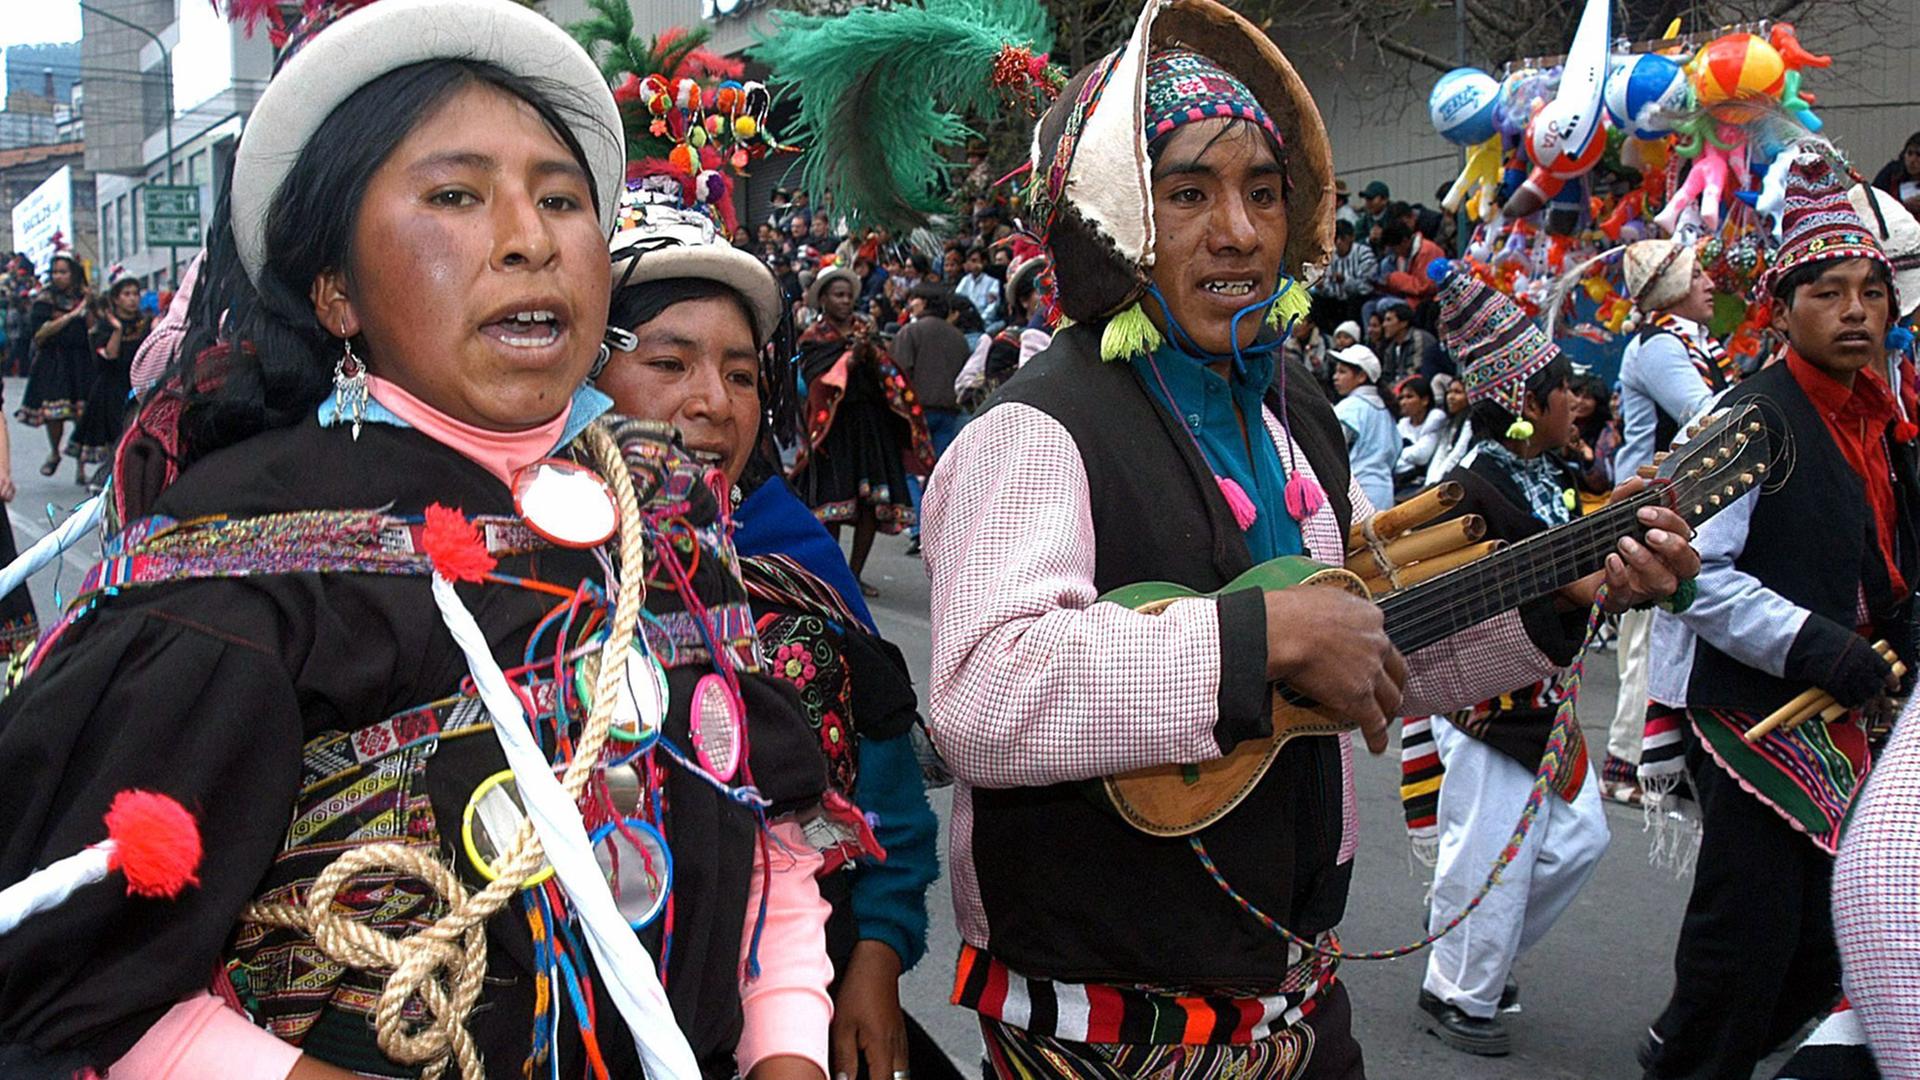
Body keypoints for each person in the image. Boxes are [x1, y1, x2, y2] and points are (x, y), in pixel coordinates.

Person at [0, 4, 839, 1077]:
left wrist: (786, 1050)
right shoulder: (242, 558)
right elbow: (86, 988)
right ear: (335, 291)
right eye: (455, 195)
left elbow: (763, 830)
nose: (531, 239)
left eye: (560, 199)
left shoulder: (664, 513)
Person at [922, 12, 1697, 1073]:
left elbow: (1361, 661)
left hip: (1294, 998)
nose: (1239, 232)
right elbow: (983, 694)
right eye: (1188, 194)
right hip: (1103, 1023)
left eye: (1263, 191)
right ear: (1113, 222)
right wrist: (1266, 635)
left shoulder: (1294, 421)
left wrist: (1561, 595)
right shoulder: (1036, 430)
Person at [596, 201, 956, 1080]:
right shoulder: (521, 573)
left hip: (802, 1004)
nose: (714, 404)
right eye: (669, 364)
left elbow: (890, 800)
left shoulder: (792, 556)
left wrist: (876, 956)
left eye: (741, 374)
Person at [1640, 153, 1916, 1080]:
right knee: (1743, 946)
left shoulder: (1880, 417)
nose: (1855, 311)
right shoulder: (1748, 418)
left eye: (1871, 292)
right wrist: (1812, 644)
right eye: (1828, 293)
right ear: (1783, 308)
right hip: (1751, 712)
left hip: (1843, 712)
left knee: (1826, 946)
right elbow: (1690, 576)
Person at [1412, 267, 1615, 1057]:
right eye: (1564, 391)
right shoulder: (1476, 486)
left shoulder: (1541, 473)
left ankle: (1468, 949)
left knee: (1578, 839)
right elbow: (1553, 580)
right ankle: (1459, 986)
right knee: (1494, 848)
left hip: (1541, 697)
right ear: (1529, 403)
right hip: (1488, 700)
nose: (1578, 403)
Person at [1609, 236, 1726, 805]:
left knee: (1662, 634)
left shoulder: (1690, 344)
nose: (1710, 284)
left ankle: (1653, 758)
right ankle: (1627, 763)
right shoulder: (1658, 346)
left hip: (1668, 505)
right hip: (1647, 506)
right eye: (1697, 274)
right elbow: (1703, 414)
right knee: (1645, 638)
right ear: (1673, 287)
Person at [790, 265, 935, 595]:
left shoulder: (866, 331)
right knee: (831, 504)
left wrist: (872, 355)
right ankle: (832, 575)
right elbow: (816, 381)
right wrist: (850, 360)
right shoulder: (814, 338)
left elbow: (889, 376)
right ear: (823, 299)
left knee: (871, 503)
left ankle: (854, 575)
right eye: (838, 295)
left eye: (848, 296)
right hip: (833, 431)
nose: (845, 301)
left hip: (870, 428)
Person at [891, 284, 973, 554]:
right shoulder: (958, 337)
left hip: (917, 412)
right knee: (938, 474)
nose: (910, 304)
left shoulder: (911, 332)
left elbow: (898, 372)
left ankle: (919, 529)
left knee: (910, 469)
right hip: (949, 410)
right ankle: (935, 532)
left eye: (914, 299)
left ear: (924, 303)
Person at [70, 270, 151, 488]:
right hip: (111, 387)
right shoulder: (104, 326)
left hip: (139, 385)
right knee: (114, 433)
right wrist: (117, 331)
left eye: (135, 293)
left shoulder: (146, 323)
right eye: (126, 294)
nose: (132, 299)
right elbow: (109, 357)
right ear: (115, 298)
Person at [16, 252, 94, 478]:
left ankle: (81, 465)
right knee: (54, 413)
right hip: (54, 361)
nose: (59, 276)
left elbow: (94, 329)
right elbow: (39, 334)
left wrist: (90, 307)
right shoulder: (45, 299)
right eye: (55, 272)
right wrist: (71, 316)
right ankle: (54, 452)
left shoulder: (85, 297)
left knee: (82, 414)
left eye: (63, 272)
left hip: (81, 362)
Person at [1331, 343, 1396, 509]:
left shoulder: (1350, 407)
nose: (1335, 377)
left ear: (1361, 376)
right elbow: (1396, 451)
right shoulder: (1386, 409)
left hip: (1357, 492)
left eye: (1342, 372)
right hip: (1385, 491)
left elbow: (1331, 450)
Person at [1311, 219, 1377, 332]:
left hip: (1359, 299)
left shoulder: (1364, 253)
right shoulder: (1330, 256)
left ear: (1351, 238)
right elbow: (1326, 282)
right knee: (1315, 300)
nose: (1338, 242)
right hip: (1336, 299)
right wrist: (1322, 287)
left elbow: (1366, 286)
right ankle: (1326, 335)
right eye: (1335, 239)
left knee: (1354, 303)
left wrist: (1345, 281)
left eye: (1342, 238)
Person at [1392, 373, 1446, 494]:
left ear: (1425, 400)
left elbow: (1422, 456)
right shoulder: (1402, 424)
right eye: (1401, 398)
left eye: (1409, 397)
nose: (1403, 402)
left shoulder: (1436, 419)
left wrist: (1401, 451)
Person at [1424, 372, 1475, 487]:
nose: (1450, 397)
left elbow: (1457, 454)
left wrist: (1437, 484)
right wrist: (1430, 483)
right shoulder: (1450, 422)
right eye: (1449, 392)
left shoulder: (1471, 422)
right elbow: (1440, 454)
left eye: (1457, 392)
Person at [1378, 299, 1448, 381]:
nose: (1384, 325)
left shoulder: (1419, 338)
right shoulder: (1391, 347)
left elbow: (1414, 373)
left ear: (1403, 323)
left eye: (1389, 320)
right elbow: (1387, 375)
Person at [1871, 130, 1920, 216]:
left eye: (1919, 155)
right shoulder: (1892, 173)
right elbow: (1873, 200)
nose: (1912, 160)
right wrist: (1903, 205)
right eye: (1909, 153)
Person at [953, 247, 1003, 331]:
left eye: (974, 261)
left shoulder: (993, 281)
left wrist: (978, 321)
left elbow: (992, 308)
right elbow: (957, 300)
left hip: (985, 324)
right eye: (969, 261)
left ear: (984, 262)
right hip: (966, 323)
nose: (970, 264)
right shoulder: (966, 280)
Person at [1281, 310, 1328, 386]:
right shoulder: (1286, 344)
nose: (1296, 326)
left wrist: (1317, 365)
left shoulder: (1323, 342)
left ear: (1311, 325)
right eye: (1293, 321)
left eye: (1300, 321)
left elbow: (1326, 374)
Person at [1357, 179, 1391, 246]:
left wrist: (1385, 236)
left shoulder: (1394, 215)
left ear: (1384, 200)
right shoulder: (1364, 220)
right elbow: (1355, 242)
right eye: (1366, 199)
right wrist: (1369, 239)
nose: (1367, 203)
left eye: (1371, 199)